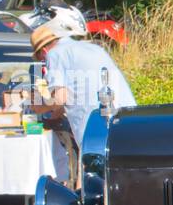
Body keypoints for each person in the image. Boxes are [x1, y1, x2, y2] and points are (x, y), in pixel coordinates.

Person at [30, 23, 135, 155]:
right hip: (126, 115)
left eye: (41, 59)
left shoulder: (54, 54)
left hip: (97, 125)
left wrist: (40, 107)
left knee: (97, 169)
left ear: (44, 51)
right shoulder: (92, 47)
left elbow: (59, 98)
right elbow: (80, 88)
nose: (43, 61)